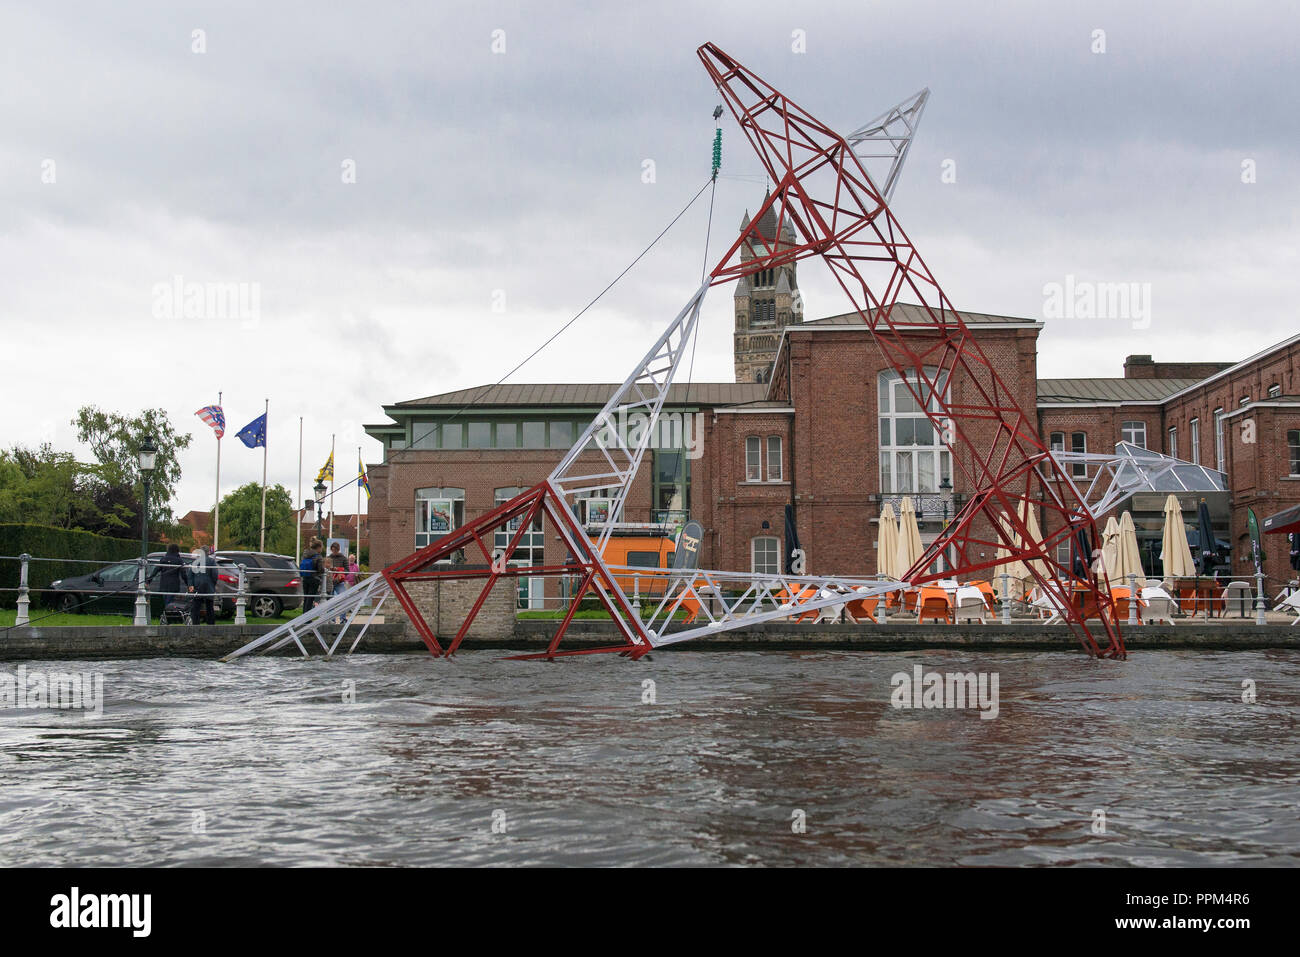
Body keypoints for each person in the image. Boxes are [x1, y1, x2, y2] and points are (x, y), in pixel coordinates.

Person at [147, 543, 186, 619]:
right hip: (174, 584)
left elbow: (156, 570)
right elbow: (183, 574)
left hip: (164, 584)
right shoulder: (179, 560)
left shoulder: (163, 559)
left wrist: (148, 580)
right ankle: (167, 616)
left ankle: (165, 615)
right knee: (170, 600)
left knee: (165, 600)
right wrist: (188, 584)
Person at [186, 545, 218, 625]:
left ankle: (195, 623)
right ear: (208, 552)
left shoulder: (196, 561)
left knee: (196, 606)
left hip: (197, 586)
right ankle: (210, 623)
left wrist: (191, 585)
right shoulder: (211, 561)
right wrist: (213, 584)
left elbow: (190, 575)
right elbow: (215, 574)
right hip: (208, 586)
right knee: (209, 606)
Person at [300, 539, 324, 615]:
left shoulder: (305, 553)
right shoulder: (318, 556)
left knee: (306, 598)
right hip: (314, 579)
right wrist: (324, 570)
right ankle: (307, 619)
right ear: (318, 547)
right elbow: (320, 569)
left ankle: (303, 616)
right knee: (310, 599)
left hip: (305, 578)